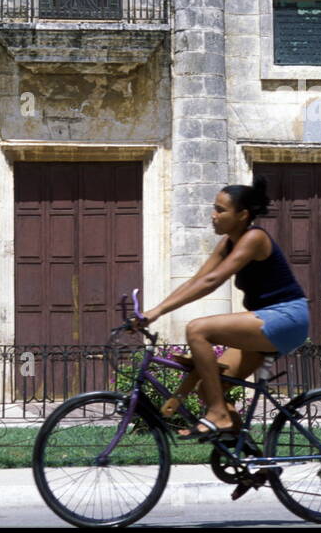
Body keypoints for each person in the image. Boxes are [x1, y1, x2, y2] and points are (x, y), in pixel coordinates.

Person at [132, 176, 310, 440]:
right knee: (207, 388)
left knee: (197, 330)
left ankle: (218, 415)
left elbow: (213, 281)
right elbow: (197, 280)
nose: (213, 215)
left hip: (286, 316)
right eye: (213, 208)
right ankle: (249, 459)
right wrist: (155, 309)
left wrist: (157, 313)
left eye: (220, 210)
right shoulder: (227, 243)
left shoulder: (254, 238)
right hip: (265, 320)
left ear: (243, 215)